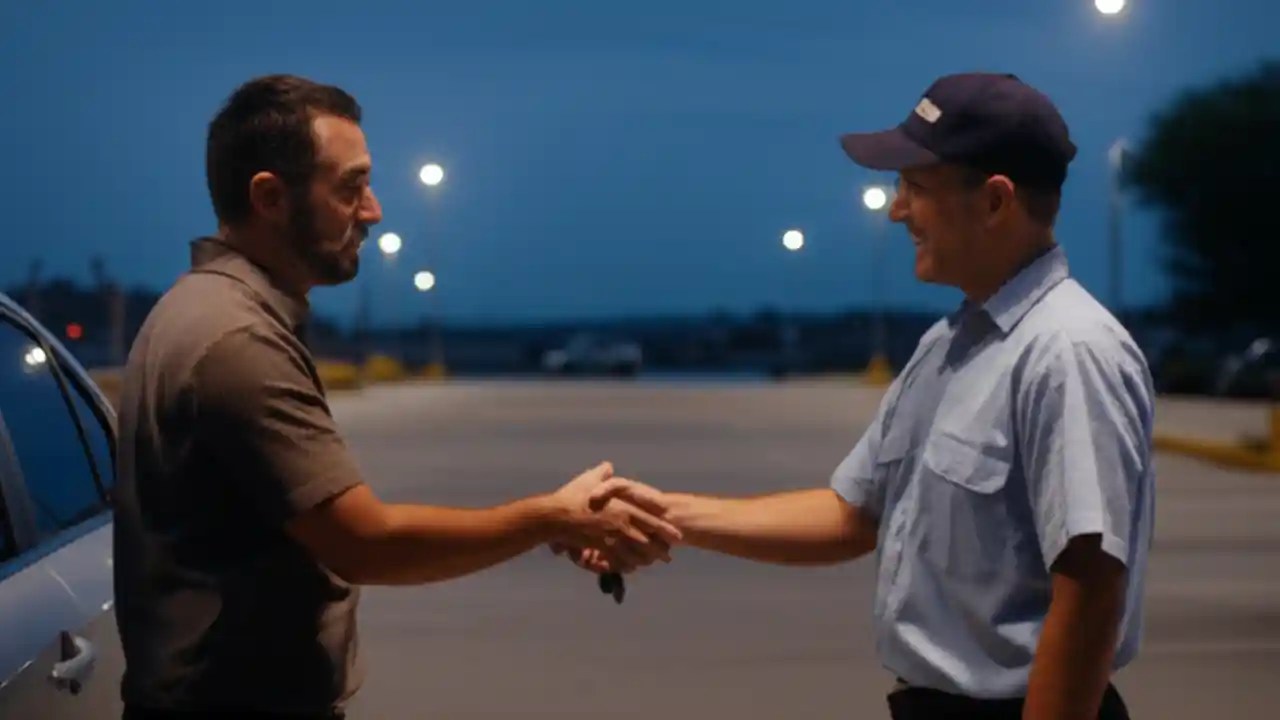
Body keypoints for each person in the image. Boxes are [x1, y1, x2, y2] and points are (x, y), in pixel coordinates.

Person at [578, 72, 1155, 720]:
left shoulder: (1068, 353)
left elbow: (1091, 589)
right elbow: (852, 515)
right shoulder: (948, 347)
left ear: (995, 201)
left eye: (915, 187)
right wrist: (662, 514)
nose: (896, 210)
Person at [111, 74, 680, 719]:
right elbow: (366, 543)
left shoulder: (203, 311)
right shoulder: (235, 341)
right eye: (349, 187)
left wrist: (552, 520)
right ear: (270, 197)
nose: (374, 210)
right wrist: (552, 516)